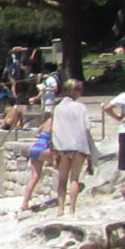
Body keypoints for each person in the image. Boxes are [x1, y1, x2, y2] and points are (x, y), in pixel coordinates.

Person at [49, 79, 92, 213]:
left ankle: (60, 209)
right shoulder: (80, 107)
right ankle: (72, 209)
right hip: (78, 146)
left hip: (62, 147)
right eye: (79, 89)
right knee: (74, 179)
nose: (81, 92)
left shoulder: (58, 108)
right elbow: (87, 127)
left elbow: (54, 128)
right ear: (73, 91)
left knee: (62, 179)